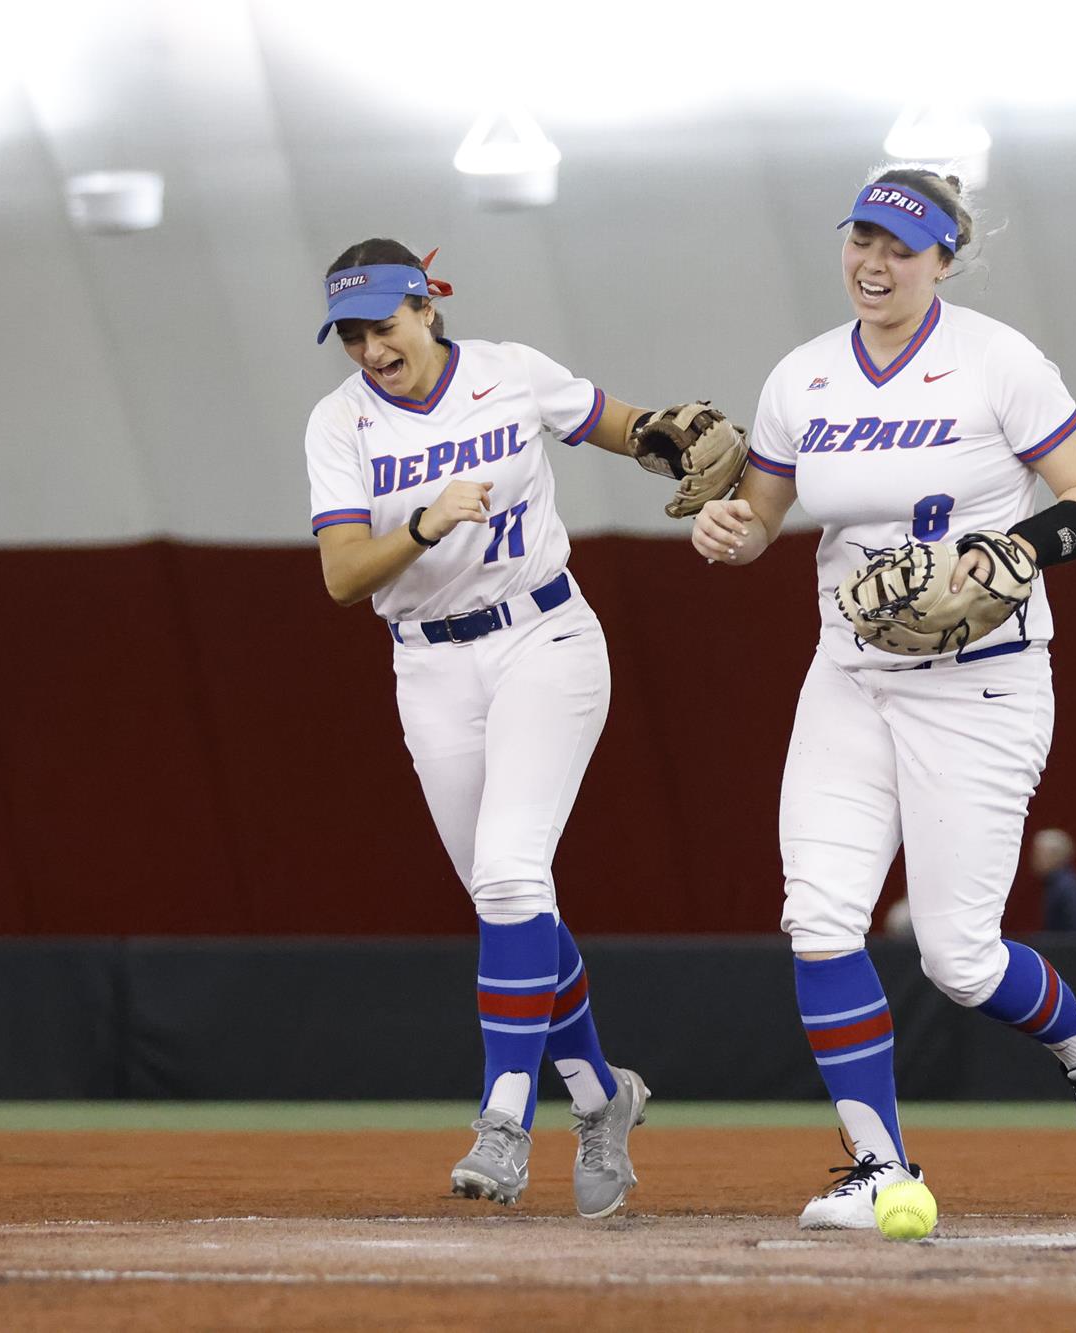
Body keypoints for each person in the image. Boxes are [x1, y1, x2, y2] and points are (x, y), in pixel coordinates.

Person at [690, 168, 1076, 1233]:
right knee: (818, 915)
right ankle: (879, 1166)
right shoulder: (802, 378)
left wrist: (1012, 552)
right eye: (861, 240)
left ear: (944, 258)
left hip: (979, 683)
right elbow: (758, 512)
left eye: (901, 248)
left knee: (956, 955)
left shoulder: (996, 362)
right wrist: (731, 531)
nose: (875, 263)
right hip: (849, 674)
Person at [304, 239, 667, 1218]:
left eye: (383, 325)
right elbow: (342, 576)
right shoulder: (338, 423)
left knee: (510, 874)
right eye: (351, 335)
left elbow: (611, 421)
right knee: (512, 903)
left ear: (427, 306)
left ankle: (504, 1117)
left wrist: (669, 436)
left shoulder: (508, 372)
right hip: (428, 665)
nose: (370, 349)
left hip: (542, 636)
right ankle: (601, 1097)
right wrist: (420, 525)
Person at [1030, 828, 1076, 932]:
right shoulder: (1058, 884)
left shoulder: (1067, 888)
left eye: (1038, 854)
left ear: (1055, 855)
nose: (1033, 859)